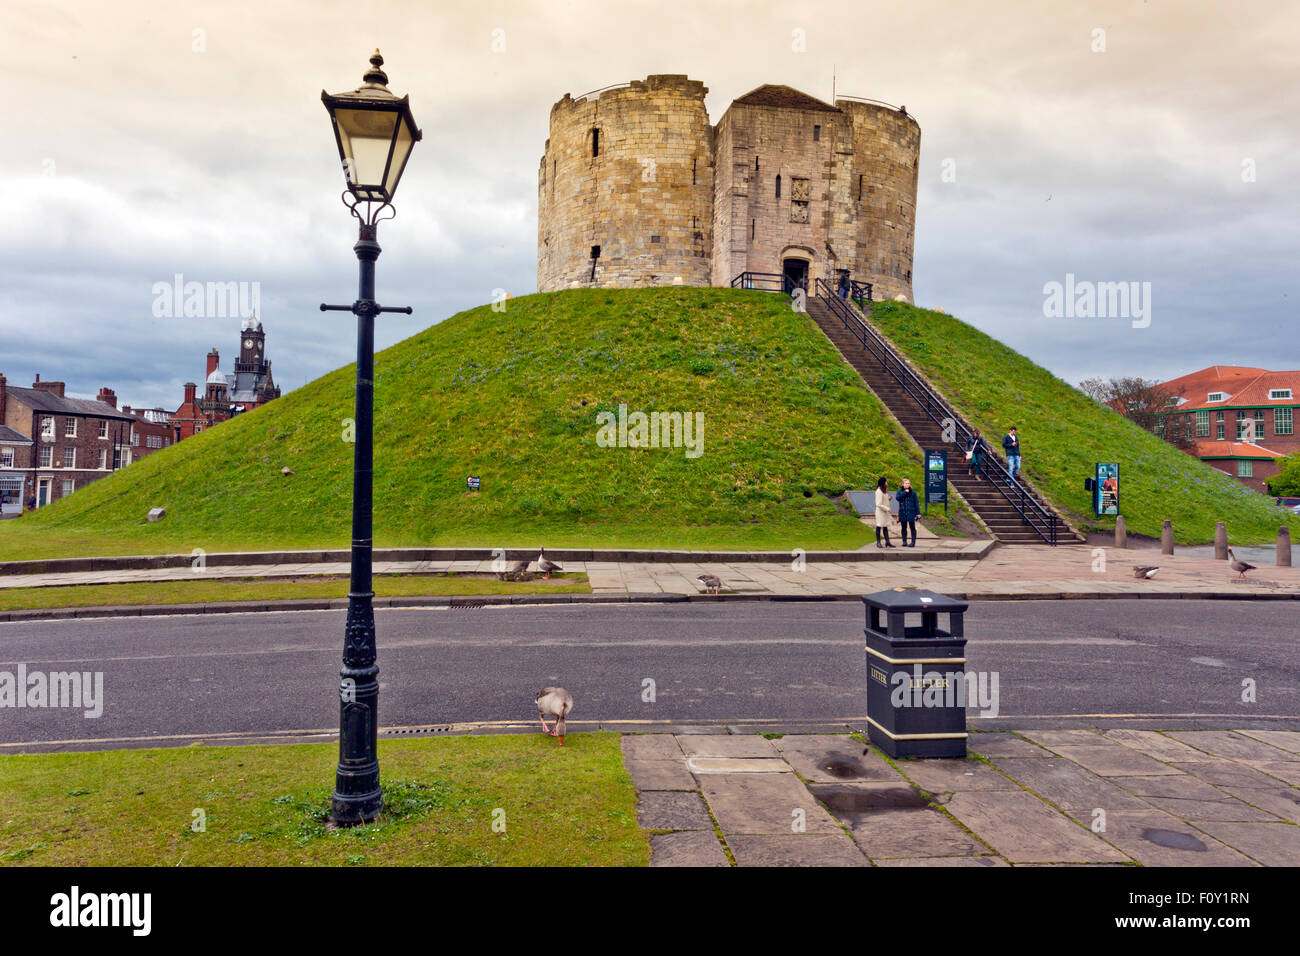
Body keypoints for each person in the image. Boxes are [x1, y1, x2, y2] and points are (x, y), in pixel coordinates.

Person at [895, 477, 920, 547]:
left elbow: (916, 503)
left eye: (909, 483)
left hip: (911, 512)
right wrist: (904, 492)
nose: (908, 484)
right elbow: (897, 498)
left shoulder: (913, 493)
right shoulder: (899, 491)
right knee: (903, 527)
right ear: (903, 484)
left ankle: (913, 542)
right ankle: (904, 541)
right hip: (902, 512)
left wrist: (918, 513)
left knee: (912, 527)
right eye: (906, 483)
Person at [874, 476, 895, 549]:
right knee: (879, 526)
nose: (887, 483)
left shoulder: (884, 490)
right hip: (880, 513)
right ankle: (878, 542)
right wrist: (887, 509)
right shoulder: (879, 492)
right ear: (883, 483)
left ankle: (887, 542)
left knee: (885, 526)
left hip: (884, 512)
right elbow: (878, 504)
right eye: (886, 482)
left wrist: (889, 499)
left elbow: (883, 501)